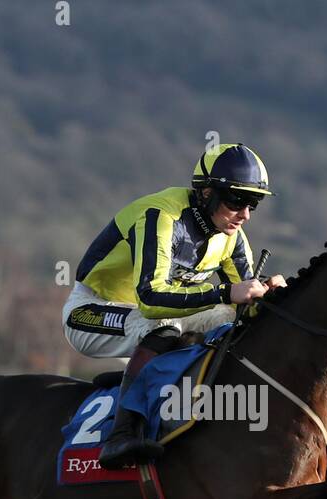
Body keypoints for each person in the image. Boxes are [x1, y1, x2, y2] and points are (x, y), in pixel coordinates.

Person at [64, 143, 287, 468]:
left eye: (253, 202)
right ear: (206, 192)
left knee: (233, 316)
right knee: (161, 325)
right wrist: (224, 293)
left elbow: (242, 305)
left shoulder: (233, 236)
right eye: (237, 200)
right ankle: (120, 435)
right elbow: (152, 300)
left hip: (154, 315)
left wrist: (269, 293)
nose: (246, 214)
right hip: (91, 309)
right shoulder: (162, 216)